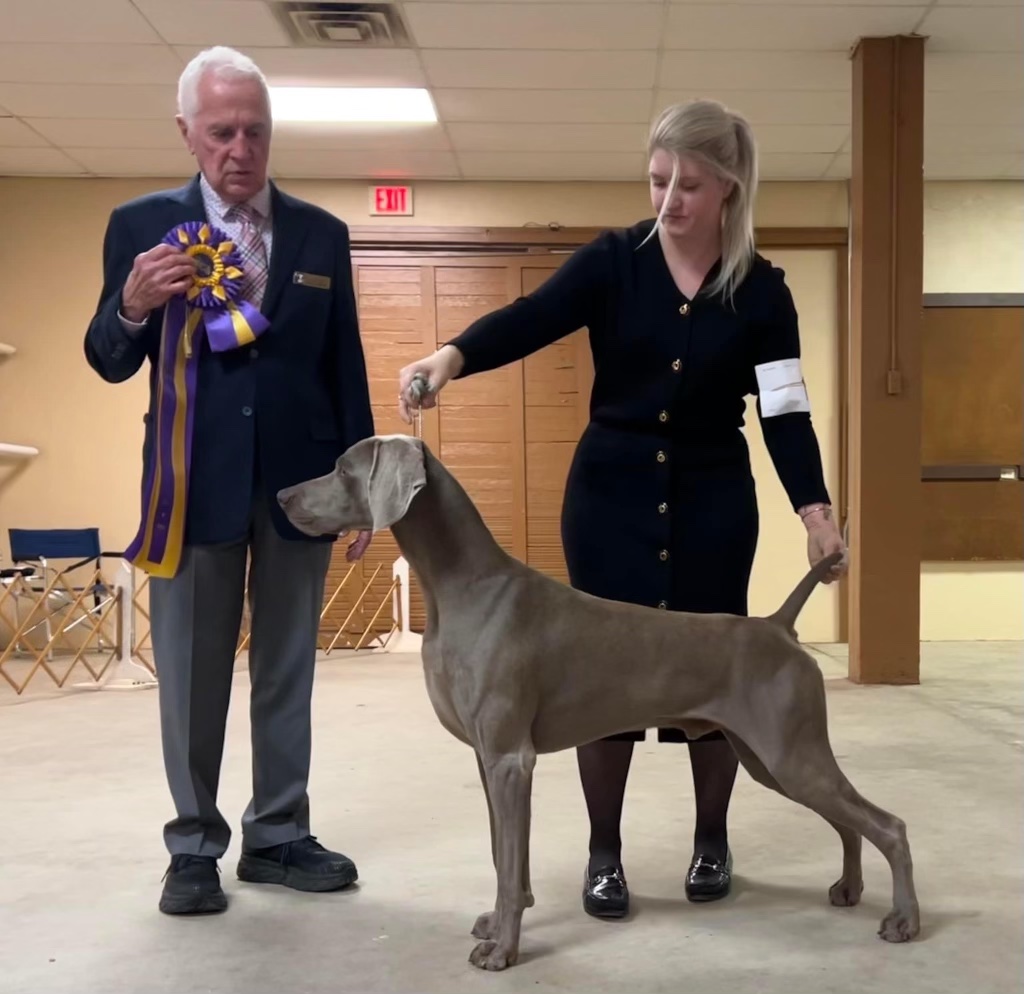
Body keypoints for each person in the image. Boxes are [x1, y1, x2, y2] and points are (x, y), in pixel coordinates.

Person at [397, 99, 847, 919]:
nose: (668, 200)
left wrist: (814, 511)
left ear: (729, 188)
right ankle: (604, 855)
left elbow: (785, 410)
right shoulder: (613, 262)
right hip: (610, 501)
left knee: (720, 677)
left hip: (714, 502)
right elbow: (532, 319)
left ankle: (712, 841)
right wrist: (452, 355)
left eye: (689, 185)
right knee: (595, 676)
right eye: (656, 179)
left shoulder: (762, 292)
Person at [84, 46, 375, 916]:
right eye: (221, 132)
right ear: (187, 132)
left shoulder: (323, 234)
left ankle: (278, 834)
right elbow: (107, 357)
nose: (240, 149)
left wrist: (361, 482)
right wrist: (133, 304)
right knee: (191, 672)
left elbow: (344, 364)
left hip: (299, 486)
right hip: (191, 484)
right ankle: (193, 846)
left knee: (288, 667)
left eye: (255, 130)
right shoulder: (140, 225)